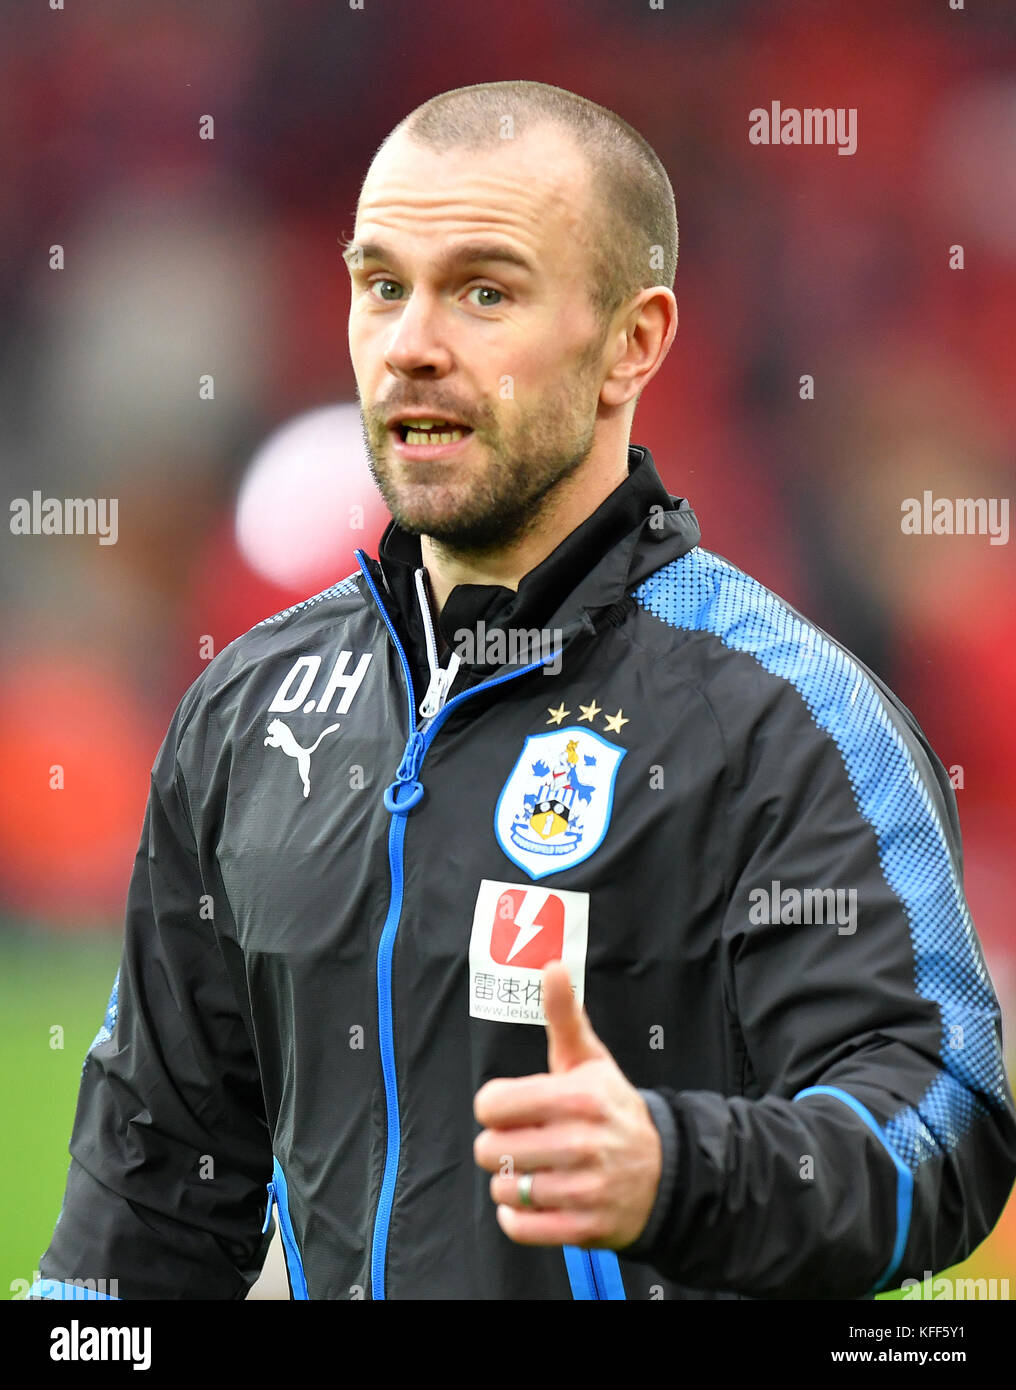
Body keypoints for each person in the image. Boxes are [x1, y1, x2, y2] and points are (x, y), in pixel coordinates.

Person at [31, 80, 1016, 1302]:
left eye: (483, 291)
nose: (411, 343)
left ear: (632, 342)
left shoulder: (787, 717)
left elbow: (942, 1122)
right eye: (382, 285)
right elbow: (149, 1189)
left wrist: (672, 1170)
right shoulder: (249, 708)